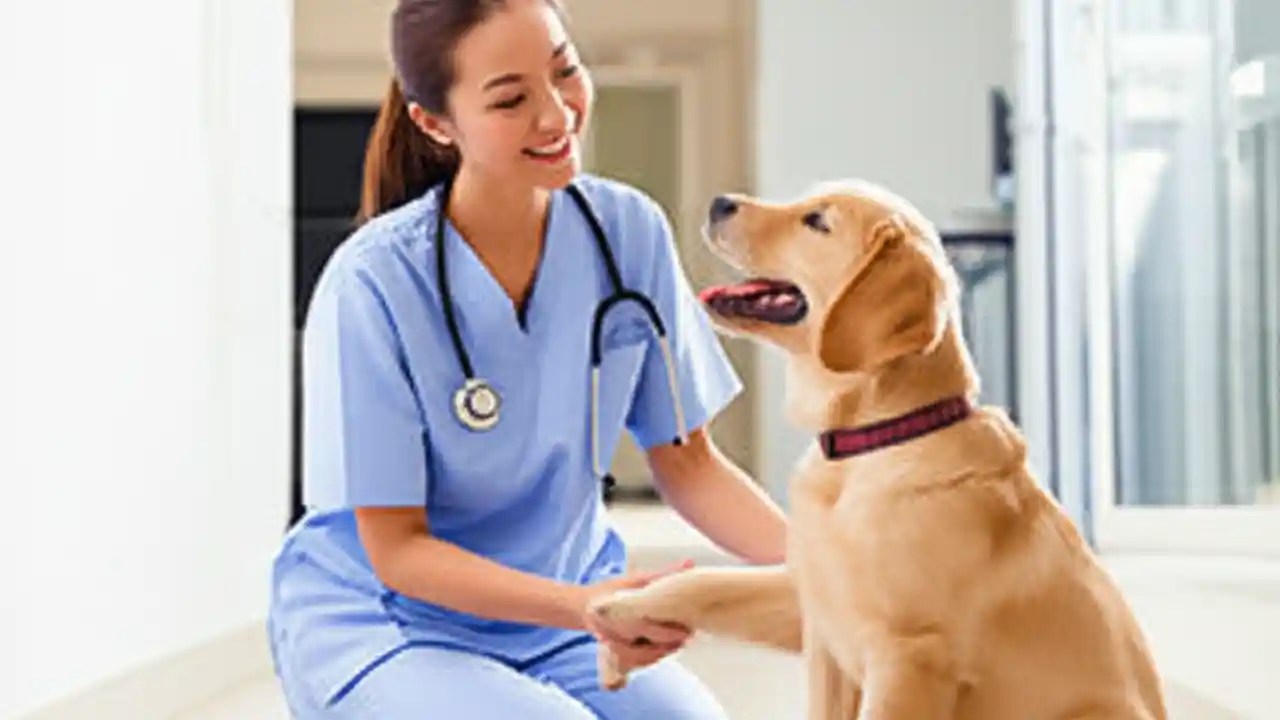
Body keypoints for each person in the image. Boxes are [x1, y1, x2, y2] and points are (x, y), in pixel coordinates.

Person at [267, 0, 788, 717]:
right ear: (435, 123)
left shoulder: (627, 232)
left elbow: (689, 463)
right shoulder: (375, 282)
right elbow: (397, 551)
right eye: (511, 99)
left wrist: (828, 573)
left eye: (565, 70)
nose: (557, 114)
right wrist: (585, 607)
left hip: (557, 619)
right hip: (392, 625)